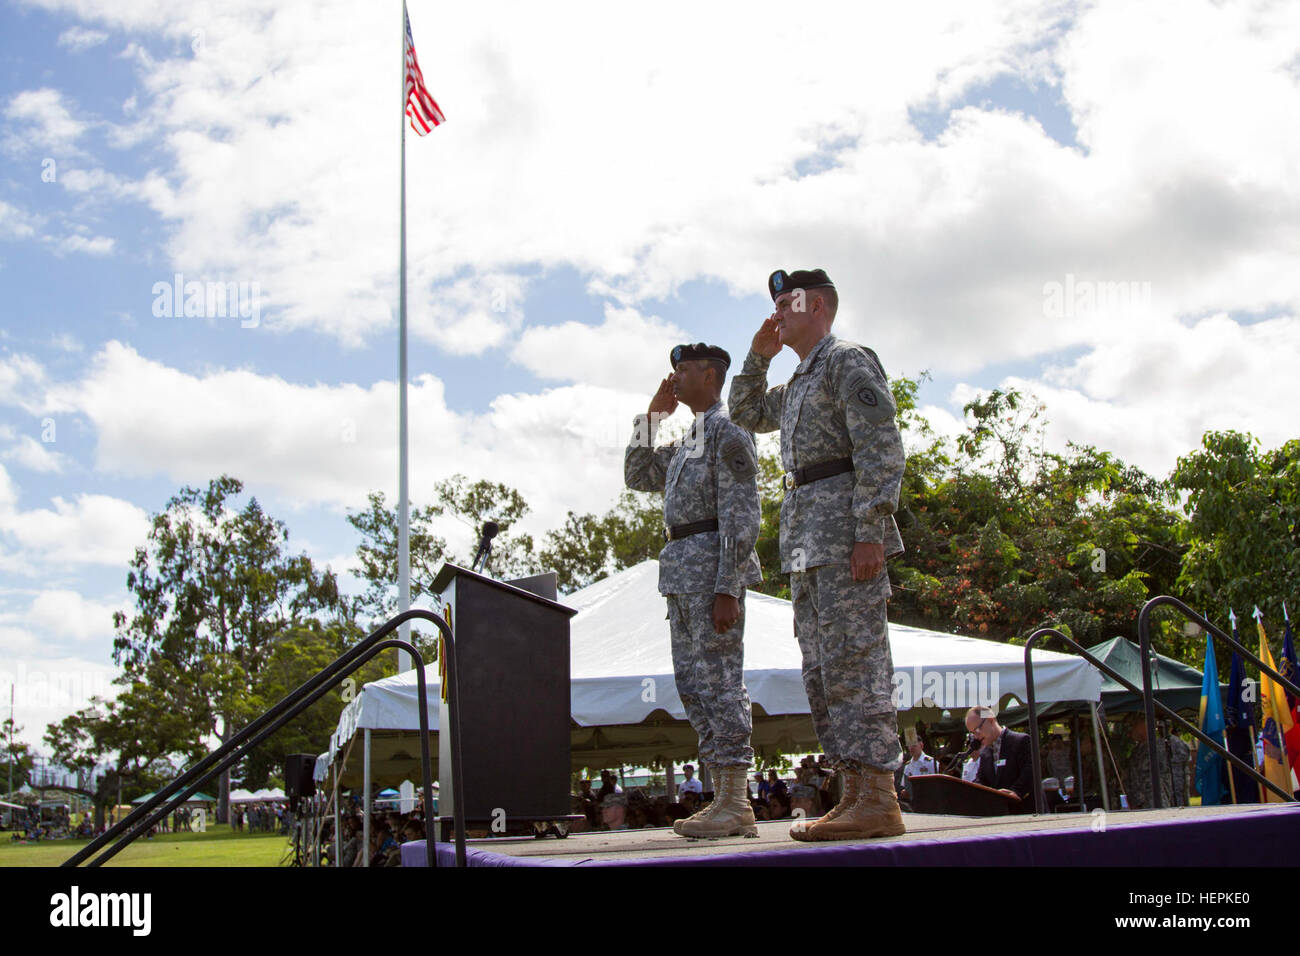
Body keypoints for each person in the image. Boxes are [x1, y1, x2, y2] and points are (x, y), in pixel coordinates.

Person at [730, 268, 906, 841]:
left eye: (789, 302)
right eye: (775, 304)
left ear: (822, 306)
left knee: (857, 664)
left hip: (845, 540)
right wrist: (758, 358)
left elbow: (880, 447)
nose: (778, 312)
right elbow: (747, 415)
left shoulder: (847, 361)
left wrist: (870, 531)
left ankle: (879, 795)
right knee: (823, 671)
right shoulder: (803, 377)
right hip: (808, 544)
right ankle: (854, 791)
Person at [626, 343, 763, 839]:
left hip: (711, 576)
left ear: (710, 376)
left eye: (682, 370)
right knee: (694, 687)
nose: (674, 377)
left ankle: (736, 800)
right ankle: (723, 797)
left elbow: (742, 513)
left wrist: (728, 585)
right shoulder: (691, 439)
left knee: (722, 683)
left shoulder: (728, 431)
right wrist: (650, 421)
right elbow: (638, 476)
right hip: (682, 577)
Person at [965, 705, 1033, 811]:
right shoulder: (985, 753)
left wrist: (1016, 792)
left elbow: (1030, 773)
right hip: (1001, 817)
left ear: (991, 719)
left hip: (1028, 814)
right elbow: (981, 781)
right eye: (973, 733)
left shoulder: (1020, 741)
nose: (976, 737)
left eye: (977, 729)